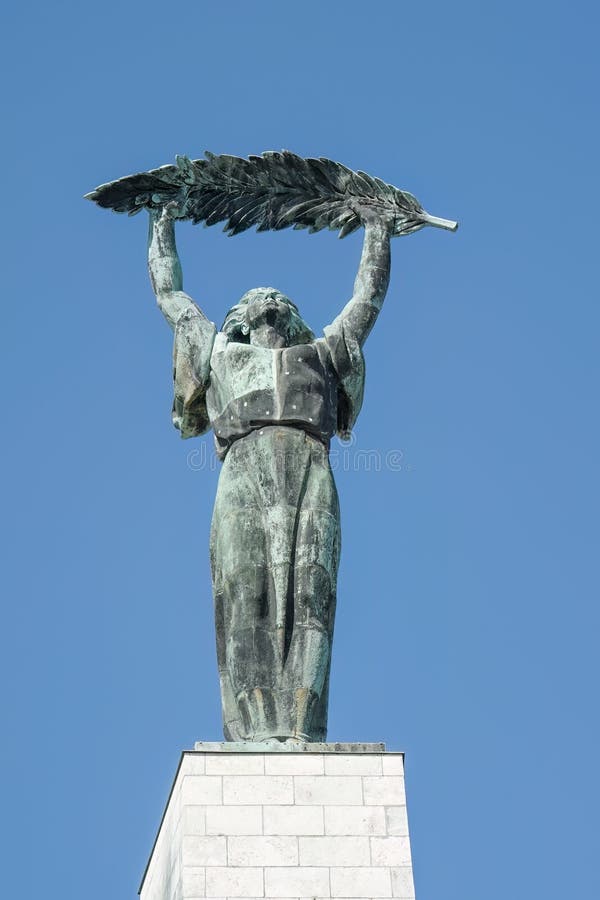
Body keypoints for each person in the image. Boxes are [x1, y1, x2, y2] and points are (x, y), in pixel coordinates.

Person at [147, 201, 393, 741]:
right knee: (247, 592)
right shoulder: (218, 354)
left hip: (310, 465)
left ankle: (302, 727)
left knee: (312, 594)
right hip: (243, 466)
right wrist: (161, 226)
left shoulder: (322, 355)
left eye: (280, 297)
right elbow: (173, 300)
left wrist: (378, 229)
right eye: (257, 298)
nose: (270, 298)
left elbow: (366, 302)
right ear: (241, 316)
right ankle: (255, 728)